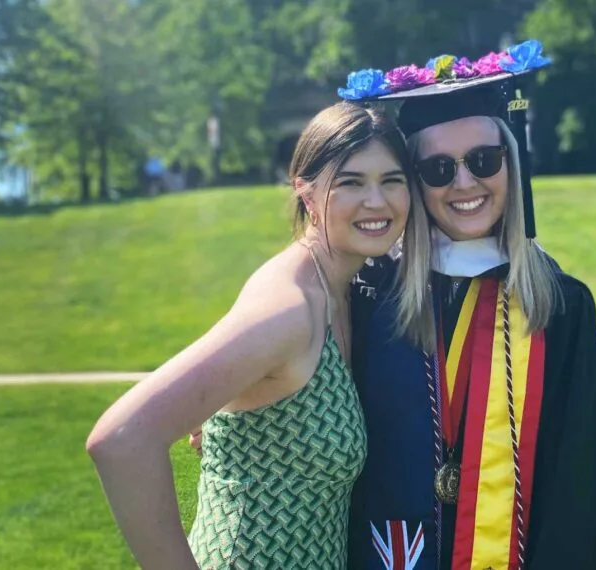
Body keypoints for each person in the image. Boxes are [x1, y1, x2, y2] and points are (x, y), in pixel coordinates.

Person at [341, 40, 596, 569]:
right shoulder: (372, 294)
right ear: (414, 183)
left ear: (511, 164)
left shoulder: (557, 305)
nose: (465, 183)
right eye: (438, 169)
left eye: (484, 161)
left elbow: (588, 484)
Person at [87, 101, 412, 570]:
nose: (376, 202)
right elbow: (122, 439)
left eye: (392, 181)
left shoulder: (344, 292)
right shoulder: (290, 309)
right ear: (306, 191)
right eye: (351, 182)